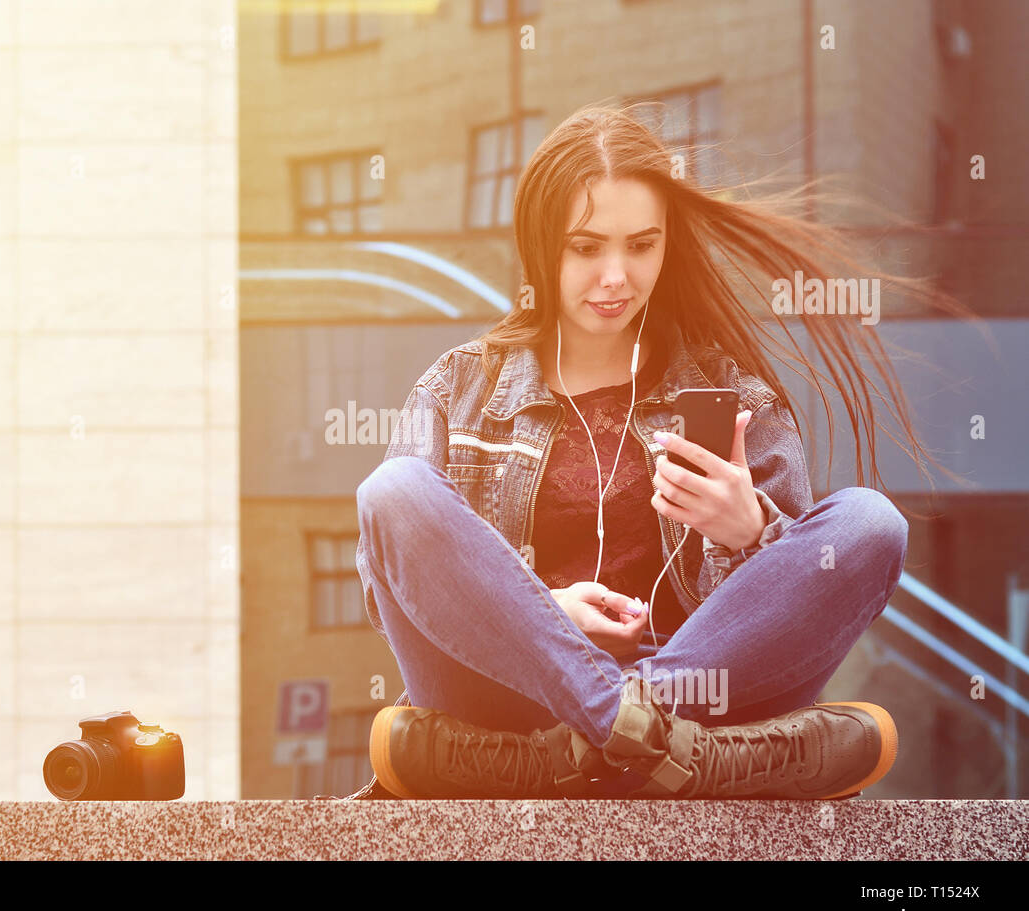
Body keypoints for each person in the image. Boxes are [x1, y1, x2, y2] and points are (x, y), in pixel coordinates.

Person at [349, 103, 979, 800]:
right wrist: (546, 612)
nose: (616, 276)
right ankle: (645, 741)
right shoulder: (457, 386)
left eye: (642, 246)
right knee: (393, 491)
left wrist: (749, 534)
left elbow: (791, 610)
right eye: (586, 248)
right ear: (539, 245)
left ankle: (598, 747)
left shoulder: (732, 394)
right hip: (508, 705)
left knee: (870, 524)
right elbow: (389, 595)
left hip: (696, 702)